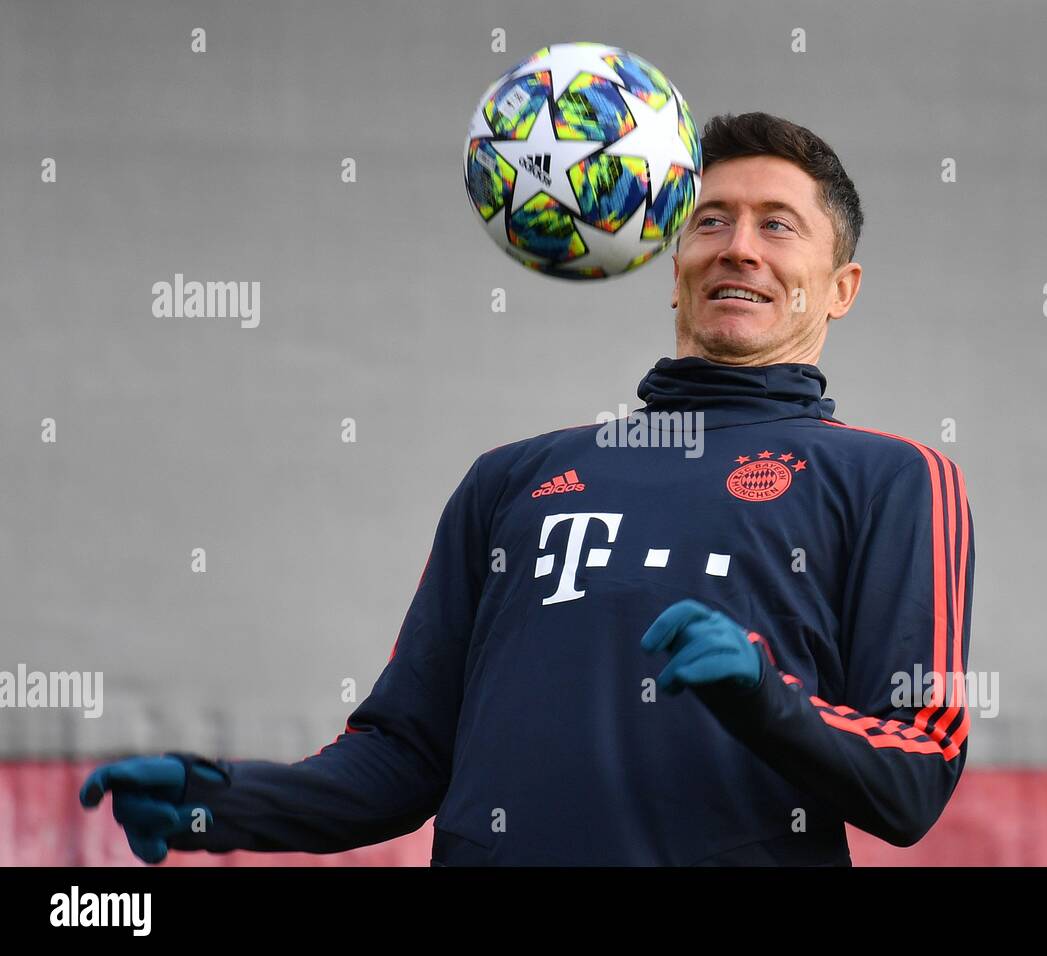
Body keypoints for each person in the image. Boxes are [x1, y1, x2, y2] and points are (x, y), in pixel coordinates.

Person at [81, 111, 975, 866]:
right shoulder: (515, 476)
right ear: (670, 259)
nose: (739, 247)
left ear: (841, 287)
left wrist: (761, 693)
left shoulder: (894, 476)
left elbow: (913, 777)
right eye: (710, 221)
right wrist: (225, 803)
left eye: (778, 225)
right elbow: (403, 760)